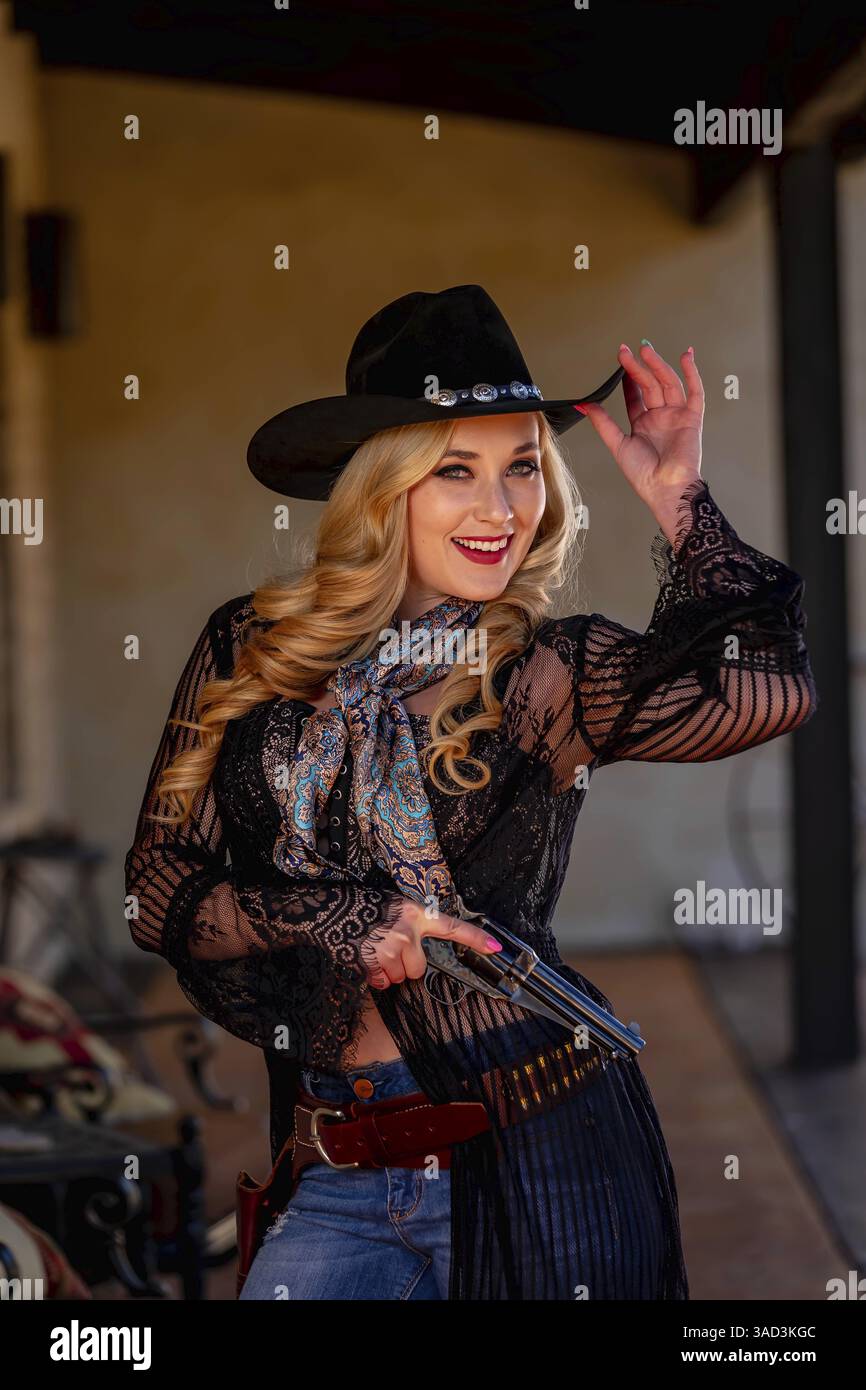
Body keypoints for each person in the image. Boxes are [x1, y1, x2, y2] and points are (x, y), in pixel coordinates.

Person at [124, 284, 818, 1300]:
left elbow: (767, 694)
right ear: (381, 487)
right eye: (455, 470)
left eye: (523, 467)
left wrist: (680, 499)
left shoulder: (551, 672)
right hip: (338, 1166)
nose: (501, 510)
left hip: (547, 1150)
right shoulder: (253, 645)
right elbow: (154, 886)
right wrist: (334, 914)